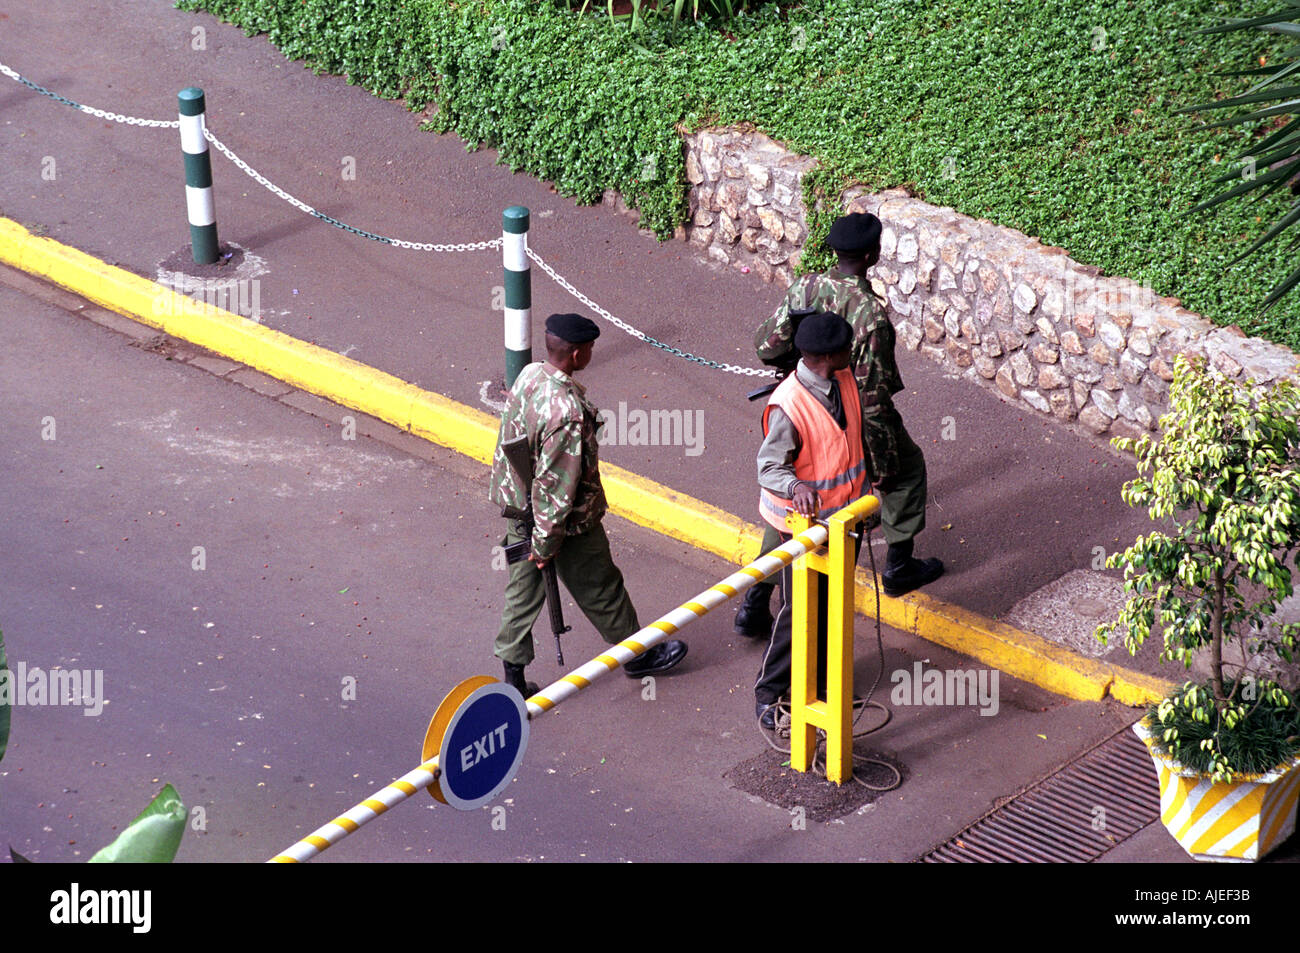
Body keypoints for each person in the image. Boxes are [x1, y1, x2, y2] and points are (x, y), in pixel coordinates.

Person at [746, 211, 942, 617]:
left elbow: (766, 345)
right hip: (843, 412)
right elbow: (873, 398)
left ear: (834, 251)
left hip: (799, 402)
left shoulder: (806, 287)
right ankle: (899, 567)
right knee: (907, 472)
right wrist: (882, 462)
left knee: (787, 504)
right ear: (872, 255)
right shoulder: (870, 315)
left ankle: (754, 599)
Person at [488, 312, 688, 697]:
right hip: (564, 523)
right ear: (577, 355)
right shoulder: (567, 412)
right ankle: (637, 655)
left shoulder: (531, 375)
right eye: (591, 348)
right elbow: (555, 487)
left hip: (522, 514)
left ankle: (513, 677)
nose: (593, 352)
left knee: (522, 593)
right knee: (601, 585)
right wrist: (546, 546)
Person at [753, 312, 867, 729]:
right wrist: (795, 487)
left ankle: (818, 685)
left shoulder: (843, 379)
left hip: (844, 518)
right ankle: (769, 692)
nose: (850, 352)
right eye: (844, 348)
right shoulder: (790, 404)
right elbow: (768, 468)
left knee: (832, 605)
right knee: (799, 610)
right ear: (825, 356)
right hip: (801, 526)